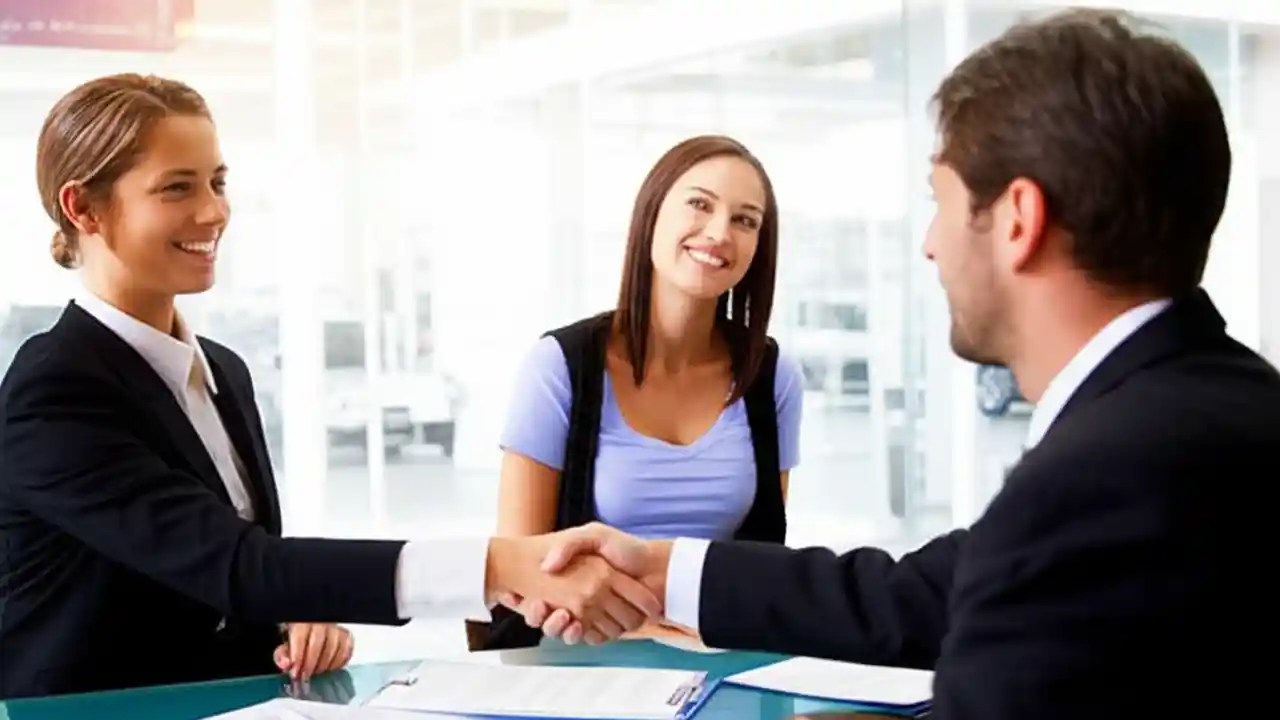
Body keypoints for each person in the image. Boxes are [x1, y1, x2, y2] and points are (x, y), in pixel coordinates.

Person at [513, 9, 1276, 719]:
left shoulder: (1102, 474)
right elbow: (920, 595)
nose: (930, 244)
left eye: (938, 202)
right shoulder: (1218, 408)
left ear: (1018, 221)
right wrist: (661, 569)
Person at [0, 74, 658, 701]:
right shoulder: (53, 392)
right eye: (177, 188)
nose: (214, 210)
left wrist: (293, 620)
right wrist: (502, 567)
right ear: (82, 207)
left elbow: (229, 579)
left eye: (218, 181)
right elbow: (239, 567)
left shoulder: (222, 369)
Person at [484, 135, 803, 649]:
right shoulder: (560, 368)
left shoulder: (772, 377)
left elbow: (760, 562)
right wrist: (659, 629)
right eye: (700, 204)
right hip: (579, 666)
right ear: (652, 214)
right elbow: (520, 577)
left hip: (723, 662)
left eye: (745, 220)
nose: (720, 232)